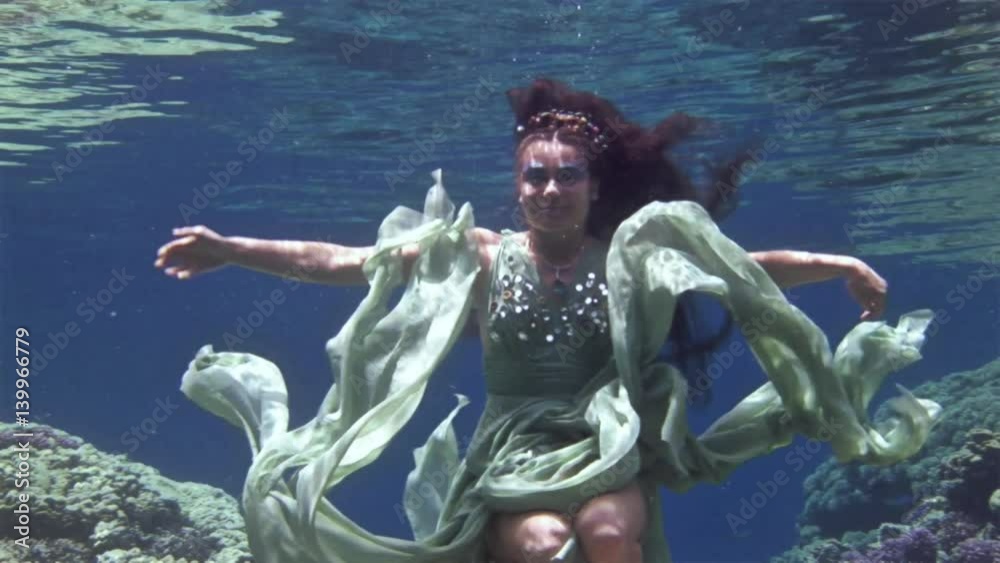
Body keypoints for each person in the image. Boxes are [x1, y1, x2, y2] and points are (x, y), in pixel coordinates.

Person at [155, 78, 939, 563]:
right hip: (511, 446)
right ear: (517, 184)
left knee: (605, 534)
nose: (552, 187)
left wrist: (837, 264)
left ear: (594, 187)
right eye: (538, 175)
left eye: (569, 175)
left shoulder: (626, 254)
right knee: (541, 547)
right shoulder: (480, 255)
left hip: (610, 436)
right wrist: (234, 249)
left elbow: (740, 268)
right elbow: (345, 261)